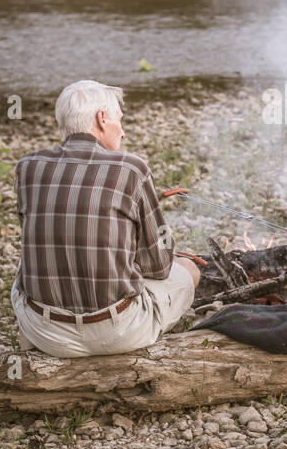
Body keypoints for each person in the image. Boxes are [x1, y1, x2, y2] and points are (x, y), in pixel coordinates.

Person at [11, 80, 200, 357]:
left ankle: (29, 342)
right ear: (102, 118)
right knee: (188, 269)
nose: (122, 132)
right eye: (119, 122)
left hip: (47, 333)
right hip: (119, 332)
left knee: (25, 267)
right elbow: (159, 268)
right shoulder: (131, 168)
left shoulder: (27, 167)